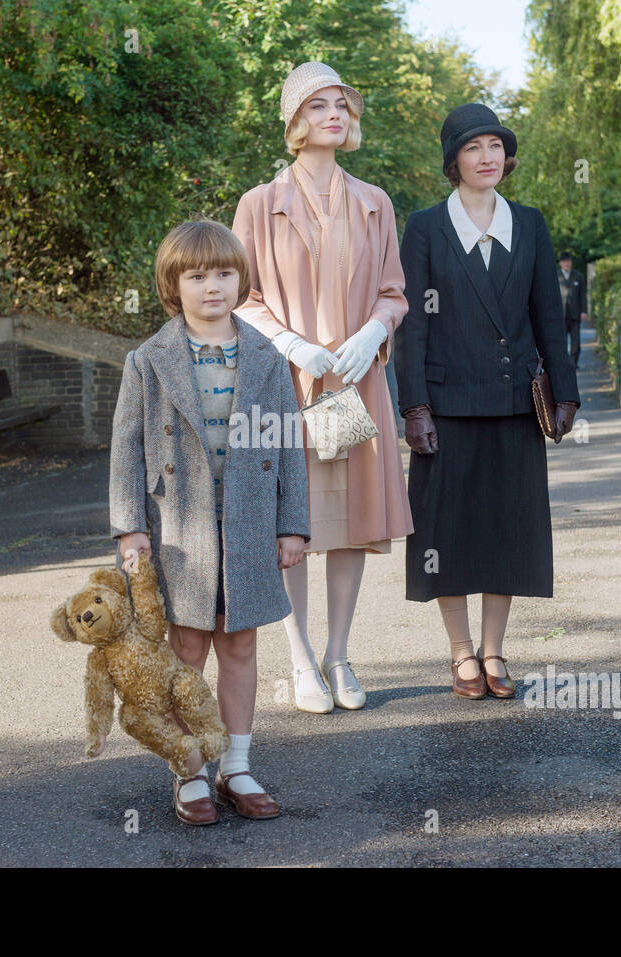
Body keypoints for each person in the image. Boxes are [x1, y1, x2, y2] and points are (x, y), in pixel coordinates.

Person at [109, 220, 310, 825]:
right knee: (188, 648)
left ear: (240, 279)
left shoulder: (269, 358)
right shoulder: (149, 360)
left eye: (223, 273)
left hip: (248, 522)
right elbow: (125, 449)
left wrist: (292, 524)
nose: (212, 286)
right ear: (174, 285)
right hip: (179, 530)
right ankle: (190, 770)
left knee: (241, 644)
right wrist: (131, 528)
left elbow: (289, 444)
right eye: (196, 276)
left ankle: (238, 767)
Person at [232, 61, 412, 714]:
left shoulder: (374, 202)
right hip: (287, 388)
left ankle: (339, 652)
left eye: (342, 104)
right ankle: (300, 655)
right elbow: (242, 297)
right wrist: (290, 343)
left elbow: (394, 292)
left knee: (349, 518)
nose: (335, 113)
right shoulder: (258, 204)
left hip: (354, 386)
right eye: (318, 105)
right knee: (293, 523)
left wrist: (372, 334)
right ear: (293, 122)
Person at [395, 103, 580, 699]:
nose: (487, 157)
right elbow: (412, 326)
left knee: (508, 531)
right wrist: (414, 407)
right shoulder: (425, 227)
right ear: (454, 161)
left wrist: (567, 392)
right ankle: (459, 654)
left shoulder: (529, 223)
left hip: (514, 402)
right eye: (474, 148)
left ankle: (494, 650)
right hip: (447, 405)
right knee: (445, 532)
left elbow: (549, 314)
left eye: (496, 147)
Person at [556, 251, 587, 368]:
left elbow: (582, 295)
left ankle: (574, 362)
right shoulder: (556, 276)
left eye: (568, 261)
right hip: (561, 314)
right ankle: (563, 362)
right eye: (564, 262)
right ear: (560, 263)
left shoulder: (578, 276)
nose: (567, 264)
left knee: (576, 340)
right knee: (561, 340)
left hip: (575, 313)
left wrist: (584, 311)